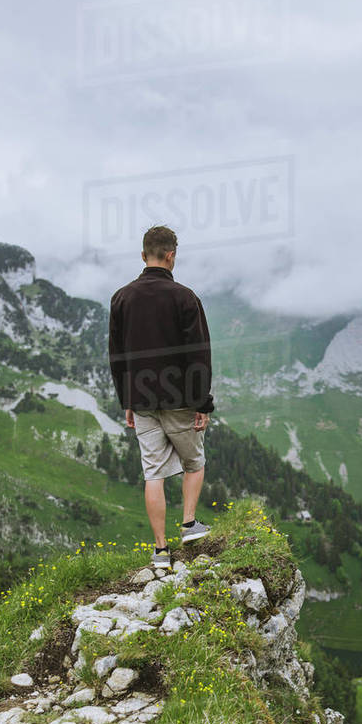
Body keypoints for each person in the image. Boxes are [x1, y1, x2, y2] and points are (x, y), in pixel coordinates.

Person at [108, 225, 214, 569]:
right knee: (193, 464)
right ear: (172, 256)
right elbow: (198, 355)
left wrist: (126, 399)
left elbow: (117, 355)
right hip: (180, 399)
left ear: (143, 255)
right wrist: (203, 402)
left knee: (152, 474)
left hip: (140, 400)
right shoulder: (185, 298)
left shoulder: (121, 298)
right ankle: (188, 525)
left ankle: (160, 552)